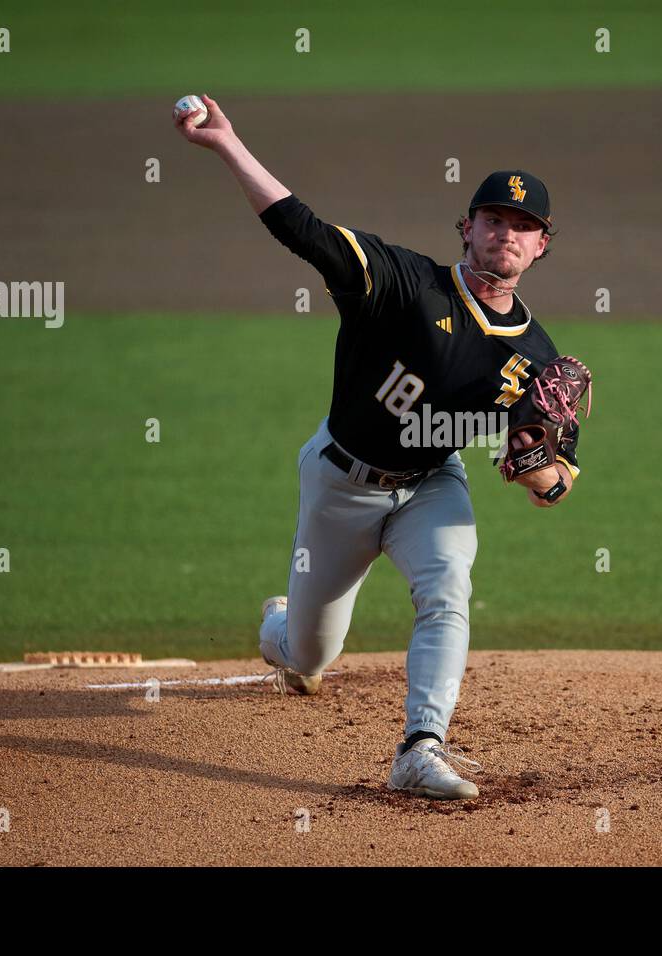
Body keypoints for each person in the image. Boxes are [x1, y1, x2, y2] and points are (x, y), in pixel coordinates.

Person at [175, 95, 582, 800]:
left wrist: (533, 472)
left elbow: (557, 481)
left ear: (542, 245)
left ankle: (421, 747)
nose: (507, 235)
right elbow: (304, 231)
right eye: (495, 220)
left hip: (431, 484)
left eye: (524, 227)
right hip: (342, 483)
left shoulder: (540, 360)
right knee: (308, 652)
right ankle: (280, 628)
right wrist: (229, 146)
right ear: (468, 228)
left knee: (449, 589)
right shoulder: (402, 283)